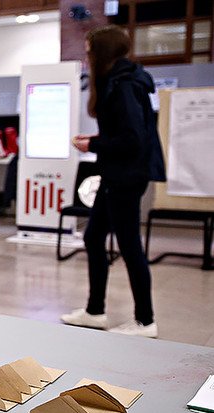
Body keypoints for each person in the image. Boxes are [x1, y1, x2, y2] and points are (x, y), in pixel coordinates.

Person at [61, 25, 166, 338]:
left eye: (89, 49)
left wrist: (92, 145)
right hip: (117, 174)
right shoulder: (122, 81)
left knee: (130, 245)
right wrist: (98, 139)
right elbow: (126, 132)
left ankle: (145, 321)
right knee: (94, 237)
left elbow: (132, 140)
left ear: (101, 52)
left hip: (125, 176)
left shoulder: (122, 85)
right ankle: (95, 310)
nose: (86, 54)